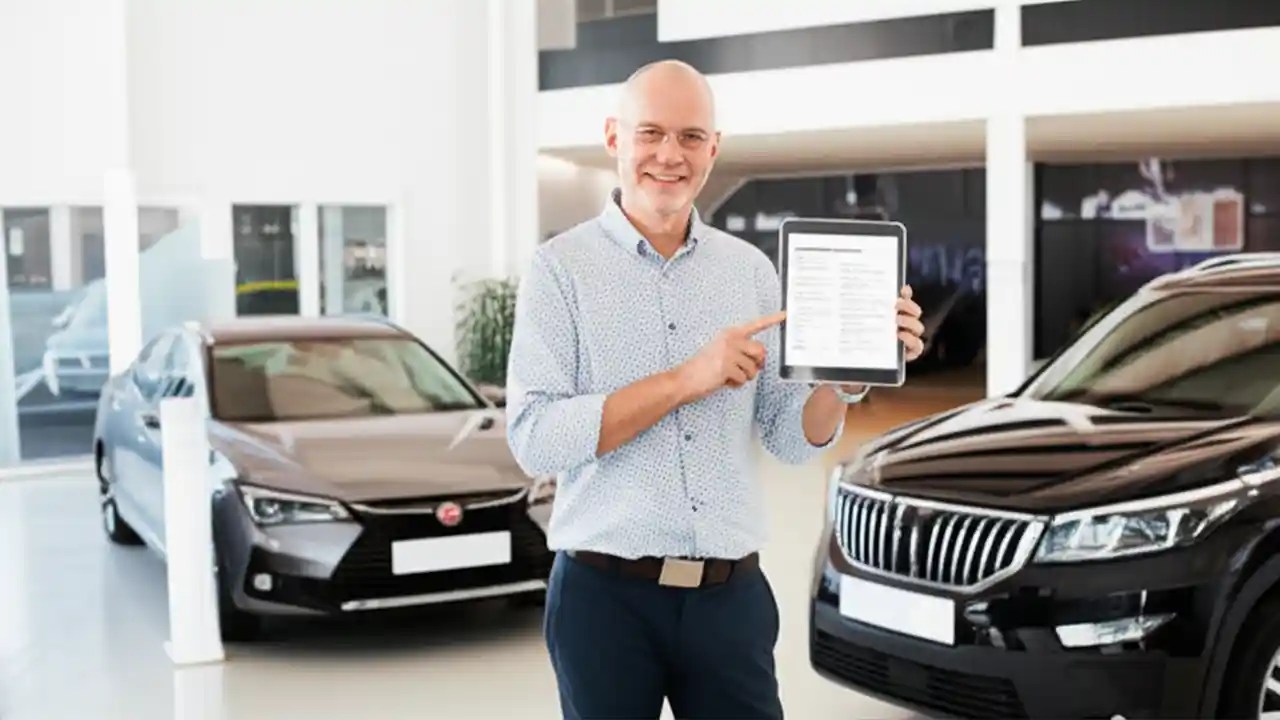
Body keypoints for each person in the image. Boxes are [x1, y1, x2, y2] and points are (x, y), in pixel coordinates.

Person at [504, 59, 925, 720]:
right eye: (651, 134)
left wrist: (841, 384)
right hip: (603, 600)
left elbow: (792, 437)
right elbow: (534, 438)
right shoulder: (560, 271)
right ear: (614, 137)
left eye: (692, 137)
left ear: (714, 148)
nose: (670, 155)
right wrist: (685, 380)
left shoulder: (752, 272)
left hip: (730, 600)